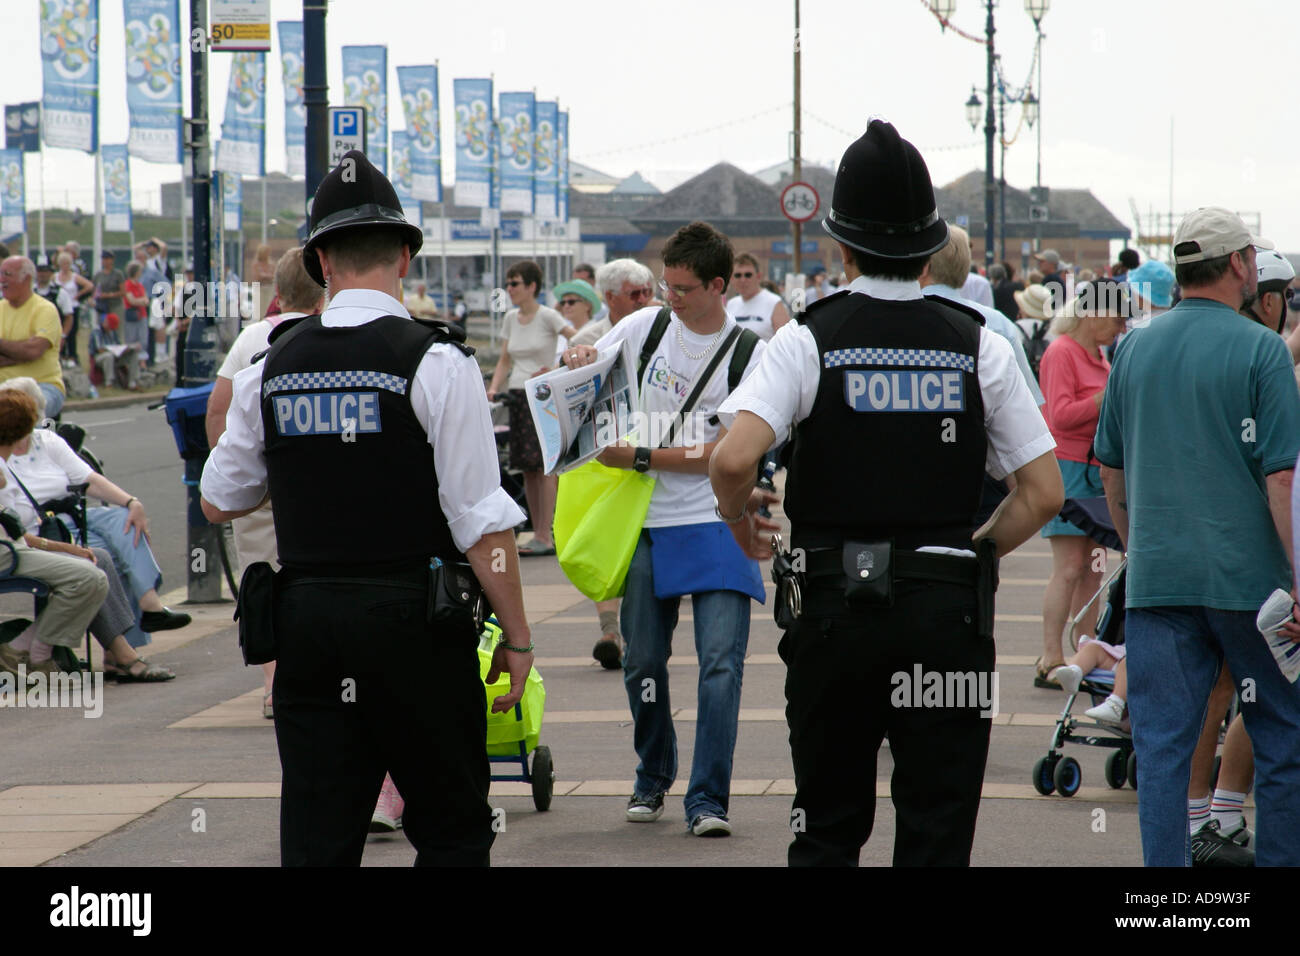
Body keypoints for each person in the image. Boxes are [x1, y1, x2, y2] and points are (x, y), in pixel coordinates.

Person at [709, 120, 1062, 866]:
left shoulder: (806, 338)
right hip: (945, 611)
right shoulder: (980, 344)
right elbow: (1043, 492)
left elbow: (733, 458)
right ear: (931, 246)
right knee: (937, 822)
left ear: (841, 246)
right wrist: (974, 550)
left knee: (829, 821)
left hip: (834, 610)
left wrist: (739, 519)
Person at [200, 149, 534, 867]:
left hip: (310, 624)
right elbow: (483, 522)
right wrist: (518, 636)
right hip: (418, 625)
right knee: (451, 830)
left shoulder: (270, 368)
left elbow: (219, 499)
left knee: (320, 837)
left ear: (321, 260)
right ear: (406, 256)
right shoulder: (438, 362)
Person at [1095, 207, 1300, 867]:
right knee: (1281, 740)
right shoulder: (1263, 348)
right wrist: (1297, 582)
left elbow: (1112, 467)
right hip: (1252, 585)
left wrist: (1137, 547)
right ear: (1239, 263)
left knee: (1161, 751)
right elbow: (1280, 480)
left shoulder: (1134, 347)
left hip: (1160, 583)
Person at [560, 220, 766, 837]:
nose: (669, 298)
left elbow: (727, 456)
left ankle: (708, 797)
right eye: (665, 285)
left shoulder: (750, 353)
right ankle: (654, 771)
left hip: (718, 518)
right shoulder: (641, 326)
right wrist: (575, 359)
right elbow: (580, 381)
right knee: (642, 661)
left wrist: (643, 454)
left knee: (720, 665)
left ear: (718, 285)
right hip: (647, 521)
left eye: (681, 288)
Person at [205, 248, 325, 719]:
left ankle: (274, 684)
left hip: (258, 478)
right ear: (324, 293)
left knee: (263, 579)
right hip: (311, 478)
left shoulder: (253, 336)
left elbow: (217, 408)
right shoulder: (324, 333)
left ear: (277, 293)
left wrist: (227, 467)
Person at [0, 376, 190, 650]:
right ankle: (119, 653)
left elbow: (88, 478)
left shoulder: (46, 440)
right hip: (39, 530)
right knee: (102, 559)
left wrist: (131, 502)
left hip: (69, 516)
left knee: (123, 521)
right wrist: (70, 549)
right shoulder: (5, 462)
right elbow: (19, 531)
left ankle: (151, 608)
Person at [918, 225, 1046, 529]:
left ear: (922, 266)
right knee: (976, 566)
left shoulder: (897, 317)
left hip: (908, 469)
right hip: (982, 473)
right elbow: (1029, 413)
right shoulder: (997, 324)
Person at [1033, 280, 1128, 688]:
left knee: (1092, 569)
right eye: (1118, 318)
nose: (1121, 327)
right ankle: (1051, 656)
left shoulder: (1098, 354)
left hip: (1094, 470)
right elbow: (1061, 416)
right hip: (1070, 469)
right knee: (1070, 567)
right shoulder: (1062, 351)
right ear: (1094, 314)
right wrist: (1106, 397)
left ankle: (1081, 654)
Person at [569, 258, 655, 667]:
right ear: (608, 298)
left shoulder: (660, 328)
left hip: (646, 454)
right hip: (602, 458)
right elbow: (563, 389)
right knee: (605, 543)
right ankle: (610, 630)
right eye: (633, 294)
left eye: (648, 292)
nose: (643, 300)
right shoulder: (590, 336)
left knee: (635, 547)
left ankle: (636, 633)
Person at [486, 259, 576, 556]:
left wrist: (556, 368)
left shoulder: (548, 316)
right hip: (516, 394)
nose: (510, 289)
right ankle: (537, 532)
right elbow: (504, 359)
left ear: (531, 286)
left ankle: (545, 534)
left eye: (515, 284)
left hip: (542, 395)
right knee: (527, 465)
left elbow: (576, 340)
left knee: (545, 465)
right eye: (508, 283)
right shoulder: (511, 318)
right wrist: (494, 388)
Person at [0, 257, 67, 418]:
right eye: (0, 273)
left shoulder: (45, 310)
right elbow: (29, 353)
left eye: (8, 274)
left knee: (23, 413)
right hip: (3, 387)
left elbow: (33, 351)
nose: (2, 280)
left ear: (27, 279)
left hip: (42, 385)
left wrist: (5, 349)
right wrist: (21, 353)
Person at [571, 259, 653, 348]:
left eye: (646, 292)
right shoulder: (584, 343)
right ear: (610, 297)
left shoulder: (660, 332)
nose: (642, 299)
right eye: (634, 294)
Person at [726, 252, 791, 342]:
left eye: (748, 275)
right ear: (731, 279)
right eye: (738, 275)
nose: (743, 280)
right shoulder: (731, 304)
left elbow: (787, 342)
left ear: (759, 276)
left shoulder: (774, 303)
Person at [33, 257, 76, 361]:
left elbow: (69, 317)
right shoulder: (29, 292)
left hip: (53, 339)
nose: (42, 274)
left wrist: (63, 336)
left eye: (45, 271)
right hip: (32, 337)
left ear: (51, 272)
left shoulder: (60, 293)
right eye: (40, 271)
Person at [92, 251, 124, 354]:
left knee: (117, 330)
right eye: (103, 259)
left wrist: (109, 295)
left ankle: (118, 350)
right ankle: (102, 350)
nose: (105, 261)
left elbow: (123, 291)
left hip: (115, 305)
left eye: (107, 259)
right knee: (102, 328)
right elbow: (94, 290)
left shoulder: (117, 274)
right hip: (102, 306)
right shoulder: (98, 275)